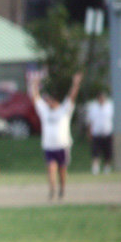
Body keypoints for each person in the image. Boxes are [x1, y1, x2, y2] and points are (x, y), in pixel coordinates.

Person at [28, 71, 82, 200]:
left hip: (62, 146)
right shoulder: (44, 111)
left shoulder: (64, 110)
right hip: (49, 146)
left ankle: (62, 189)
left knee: (62, 171)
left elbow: (71, 97)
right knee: (51, 169)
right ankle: (52, 190)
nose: (48, 103)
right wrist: (34, 84)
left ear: (56, 101)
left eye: (50, 100)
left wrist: (76, 84)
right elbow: (35, 98)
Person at [86, 90, 113, 175]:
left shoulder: (110, 106)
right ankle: (95, 168)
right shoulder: (93, 107)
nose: (102, 99)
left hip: (107, 133)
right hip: (96, 133)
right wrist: (89, 132)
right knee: (95, 152)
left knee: (107, 152)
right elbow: (90, 121)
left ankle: (107, 168)